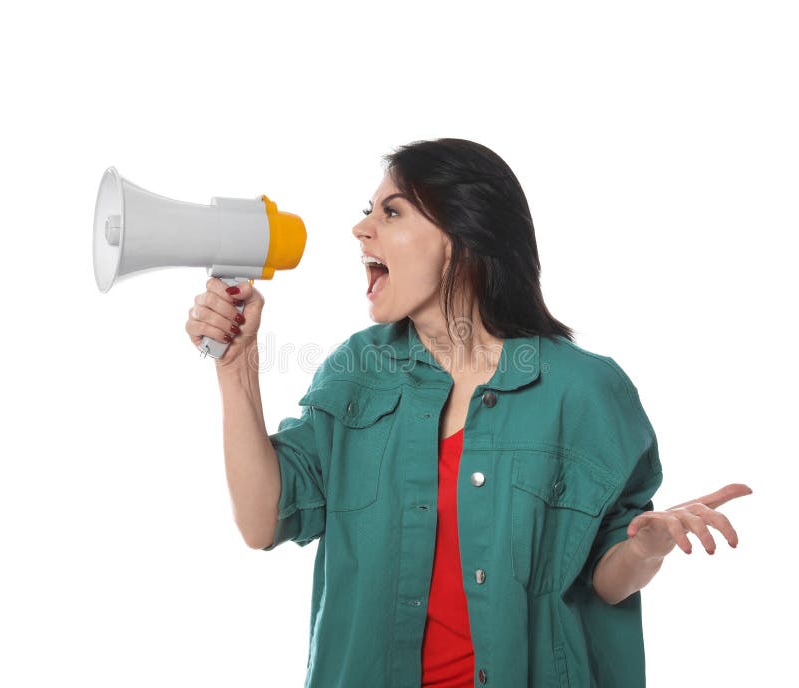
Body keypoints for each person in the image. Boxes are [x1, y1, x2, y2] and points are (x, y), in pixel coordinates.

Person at [185, 138, 752, 687]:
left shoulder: (583, 391)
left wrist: (645, 548)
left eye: (392, 212)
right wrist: (236, 365)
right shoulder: (359, 369)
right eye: (367, 211)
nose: (361, 229)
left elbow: (605, 579)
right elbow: (263, 522)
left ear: (462, 237)